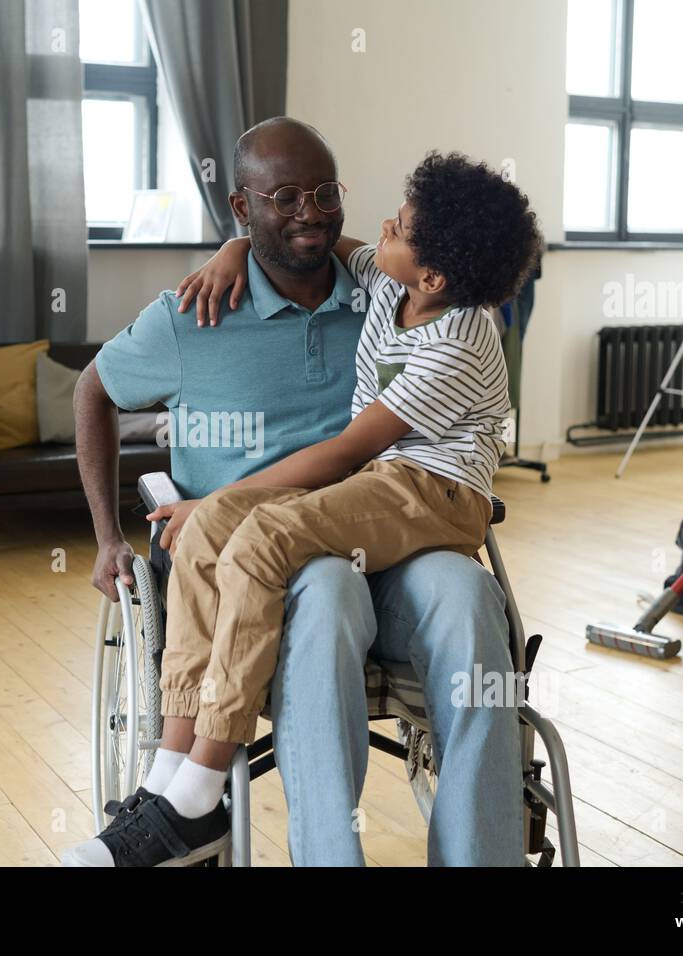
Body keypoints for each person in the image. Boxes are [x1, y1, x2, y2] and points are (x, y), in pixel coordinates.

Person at [67, 117, 529, 867]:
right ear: (242, 209)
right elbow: (94, 390)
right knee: (323, 587)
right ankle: (245, 819)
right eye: (284, 197)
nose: (311, 212)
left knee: (472, 602)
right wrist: (107, 538)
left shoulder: (382, 287)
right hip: (305, 549)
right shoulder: (193, 311)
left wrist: (251, 238)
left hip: (402, 515)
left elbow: (356, 445)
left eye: (323, 193)